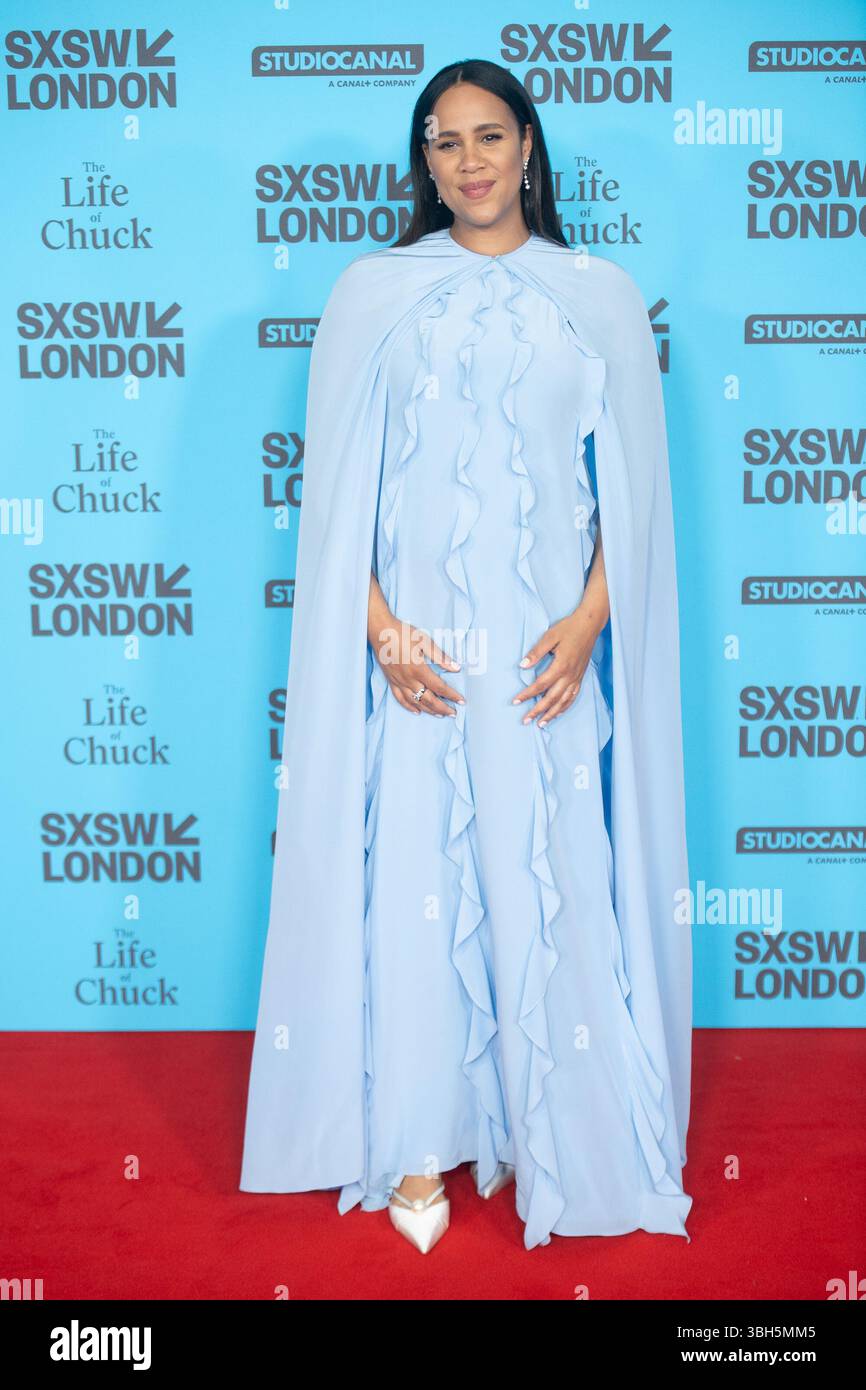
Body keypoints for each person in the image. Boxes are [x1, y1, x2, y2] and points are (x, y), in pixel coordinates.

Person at [239, 58, 694, 1255]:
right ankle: (413, 1139)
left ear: (529, 149)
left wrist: (593, 621)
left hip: (544, 668)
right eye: (444, 143)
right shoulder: (372, 293)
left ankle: (566, 1134)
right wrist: (379, 632)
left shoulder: (595, 294)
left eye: (490, 135)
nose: (469, 161)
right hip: (421, 663)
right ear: (424, 164)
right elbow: (335, 504)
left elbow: (635, 508)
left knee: (548, 882)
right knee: (416, 887)